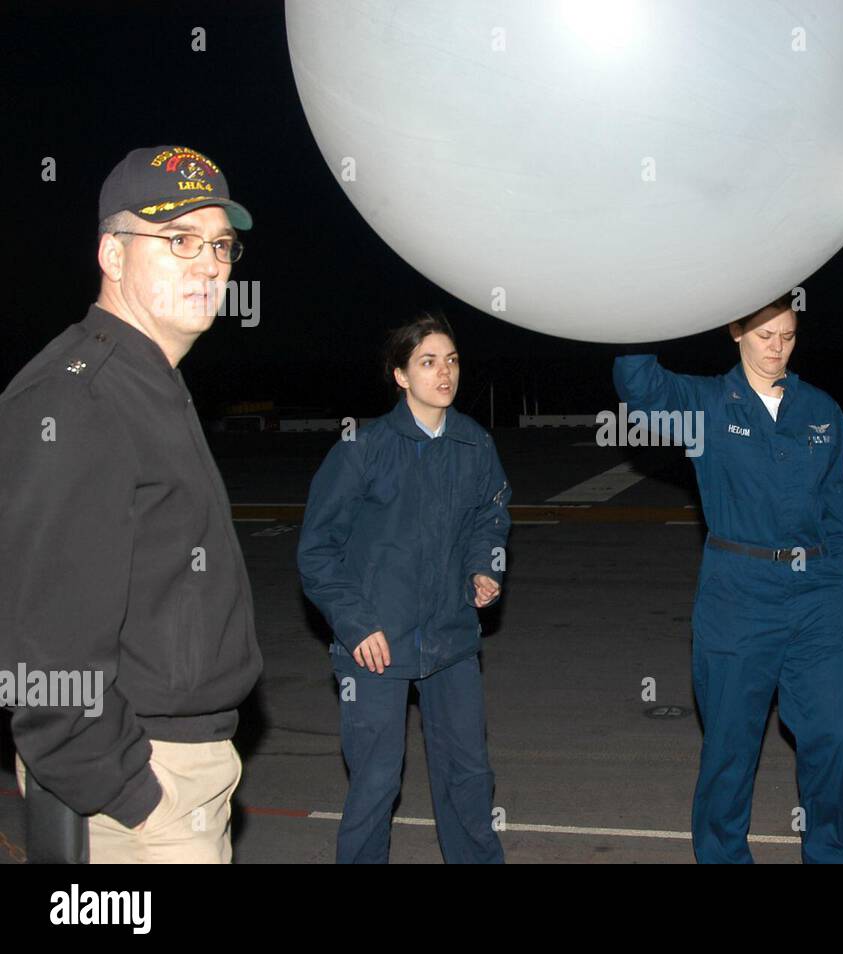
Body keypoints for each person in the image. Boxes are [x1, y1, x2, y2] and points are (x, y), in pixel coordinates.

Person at [0, 145, 263, 863]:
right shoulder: (77, 397)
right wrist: (136, 800)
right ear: (112, 256)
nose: (210, 264)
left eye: (220, 245)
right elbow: (42, 653)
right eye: (178, 240)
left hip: (183, 770)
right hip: (138, 795)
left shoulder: (148, 383)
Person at [614, 295, 843, 863]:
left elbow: (834, 497)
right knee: (730, 748)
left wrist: (841, 566)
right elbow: (641, 386)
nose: (777, 349)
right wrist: (633, 303)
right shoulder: (704, 403)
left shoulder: (820, 409)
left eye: (788, 336)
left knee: (837, 739)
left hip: (815, 599)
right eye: (764, 336)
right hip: (738, 594)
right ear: (735, 331)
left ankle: (834, 855)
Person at [298, 312, 511, 864]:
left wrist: (485, 567)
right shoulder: (363, 449)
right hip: (375, 641)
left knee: (469, 775)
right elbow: (317, 549)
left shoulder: (474, 443)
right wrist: (355, 624)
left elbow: (490, 516)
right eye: (428, 362)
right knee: (375, 784)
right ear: (400, 375)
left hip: (450, 638)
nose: (445, 373)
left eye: (452, 360)